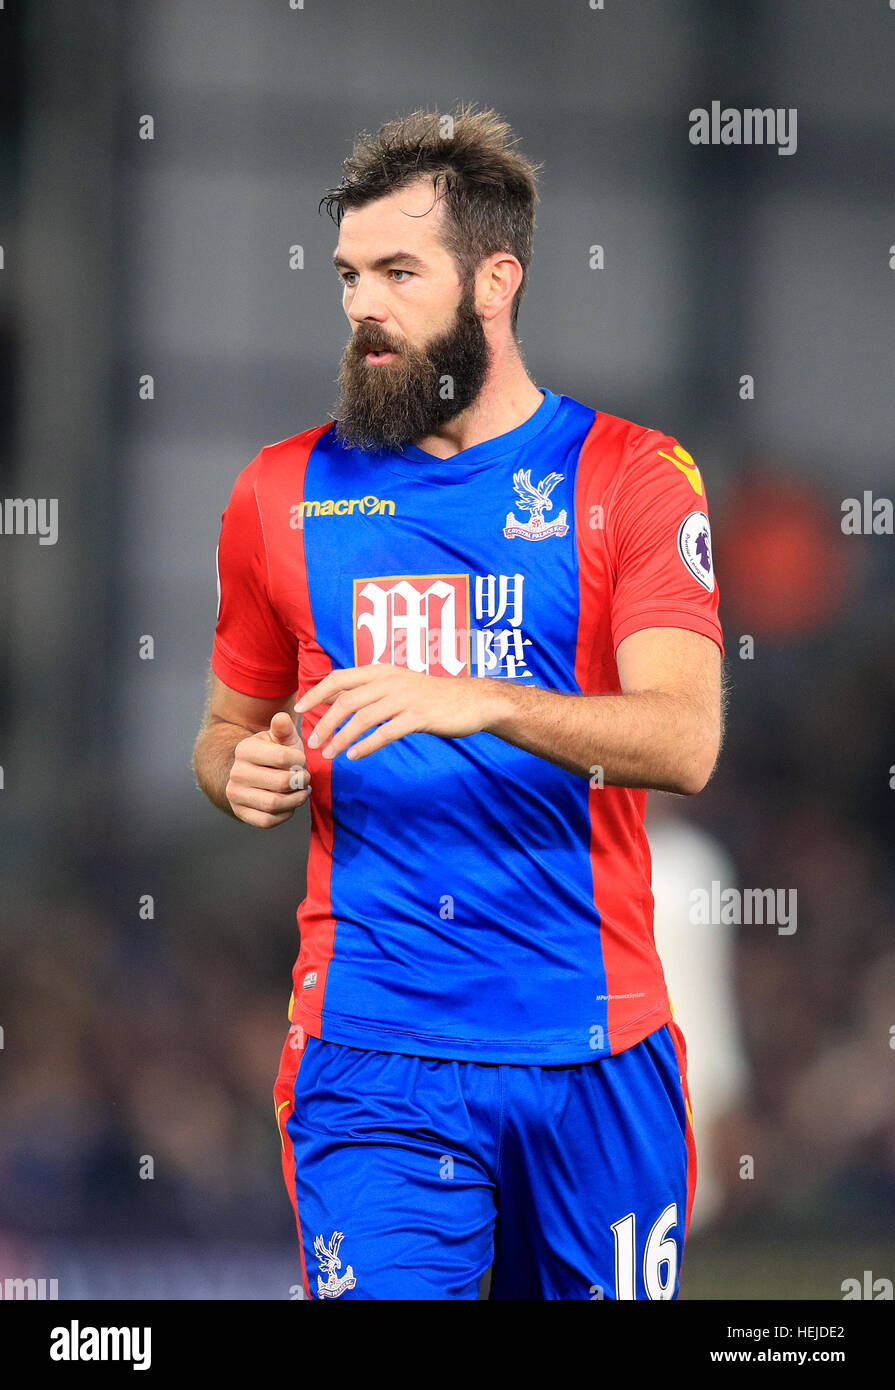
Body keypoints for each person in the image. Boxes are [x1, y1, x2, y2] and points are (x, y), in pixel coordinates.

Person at [191, 103, 725, 1300]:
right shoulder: (279, 496)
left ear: (495, 280)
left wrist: (476, 700)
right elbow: (223, 733)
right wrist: (239, 772)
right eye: (346, 275)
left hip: (596, 1051)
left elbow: (685, 740)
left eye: (396, 272)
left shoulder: (632, 477)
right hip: (373, 1056)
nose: (360, 306)